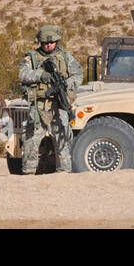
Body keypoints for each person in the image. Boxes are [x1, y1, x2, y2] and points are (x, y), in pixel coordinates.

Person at [17, 25, 83, 174]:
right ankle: (28, 171)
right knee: (31, 139)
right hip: (38, 106)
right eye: (45, 42)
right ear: (40, 42)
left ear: (57, 41)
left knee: (63, 139)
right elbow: (22, 74)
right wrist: (40, 75)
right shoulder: (32, 57)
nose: (48, 45)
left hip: (58, 105)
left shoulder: (66, 57)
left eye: (52, 42)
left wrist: (66, 84)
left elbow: (78, 75)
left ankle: (64, 171)